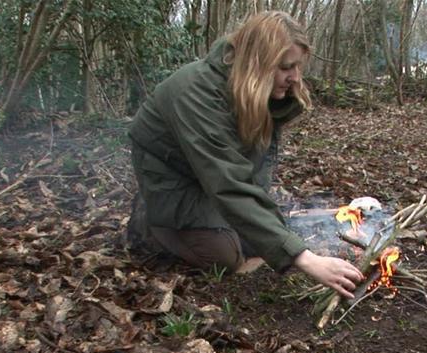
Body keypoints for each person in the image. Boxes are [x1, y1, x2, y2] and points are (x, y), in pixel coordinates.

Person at [127, 11, 363, 298]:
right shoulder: (197, 93)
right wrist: (306, 259)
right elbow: (228, 184)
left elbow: (251, 171)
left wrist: (275, 237)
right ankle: (151, 225)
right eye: (286, 67)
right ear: (257, 63)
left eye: (298, 67)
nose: (296, 78)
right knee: (225, 257)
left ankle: (214, 226)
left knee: (261, 241)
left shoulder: (250, 89)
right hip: (172, 181)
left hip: (209, 177)